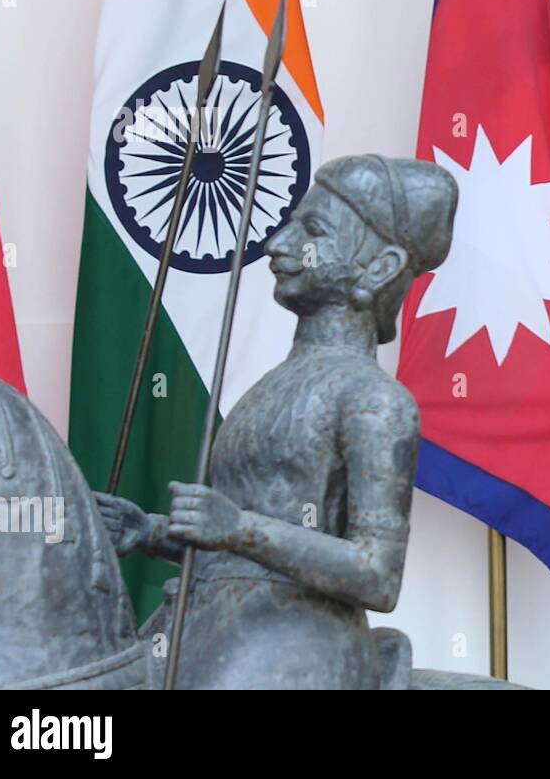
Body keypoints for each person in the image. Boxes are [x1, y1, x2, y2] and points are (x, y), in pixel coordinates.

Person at [97, 155, 457, 688]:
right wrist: (151, 531)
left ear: (379, 266)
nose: (277, 244)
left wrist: (240, 528)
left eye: (312, 231)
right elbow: (237, 558)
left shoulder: (376, 400)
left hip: (290, 647)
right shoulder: (270, 387)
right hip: (208, 627)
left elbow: (378, 574)